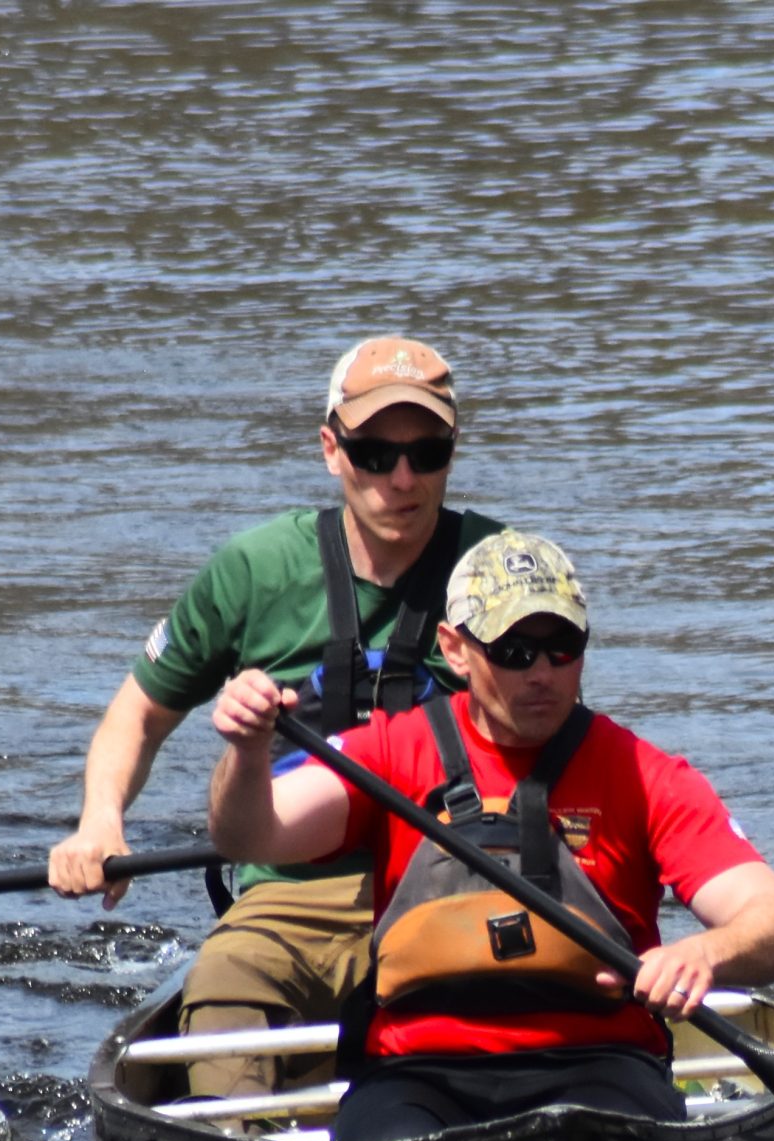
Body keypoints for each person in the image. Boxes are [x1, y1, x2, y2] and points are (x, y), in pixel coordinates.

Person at [205, 531, 774, 1141]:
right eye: (514, 651)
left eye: (562, 648)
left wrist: (704, 954)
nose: (542, 674)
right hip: (417, 1074)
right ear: (456, 650)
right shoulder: (389, 750)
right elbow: (249, 836)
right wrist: (248, 751)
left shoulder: (644, 773)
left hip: (600, 1065)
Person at [48, 336, 505, 1096]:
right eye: (374, 454)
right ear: (331, 450)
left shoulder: (502, 570)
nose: (402, 479)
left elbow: (556, 731)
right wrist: (100, 823)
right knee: (226, 976)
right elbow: (138, 715)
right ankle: (238, 1134)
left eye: (427, 453)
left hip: (460, 879)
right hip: (290, 896)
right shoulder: (254, 570)